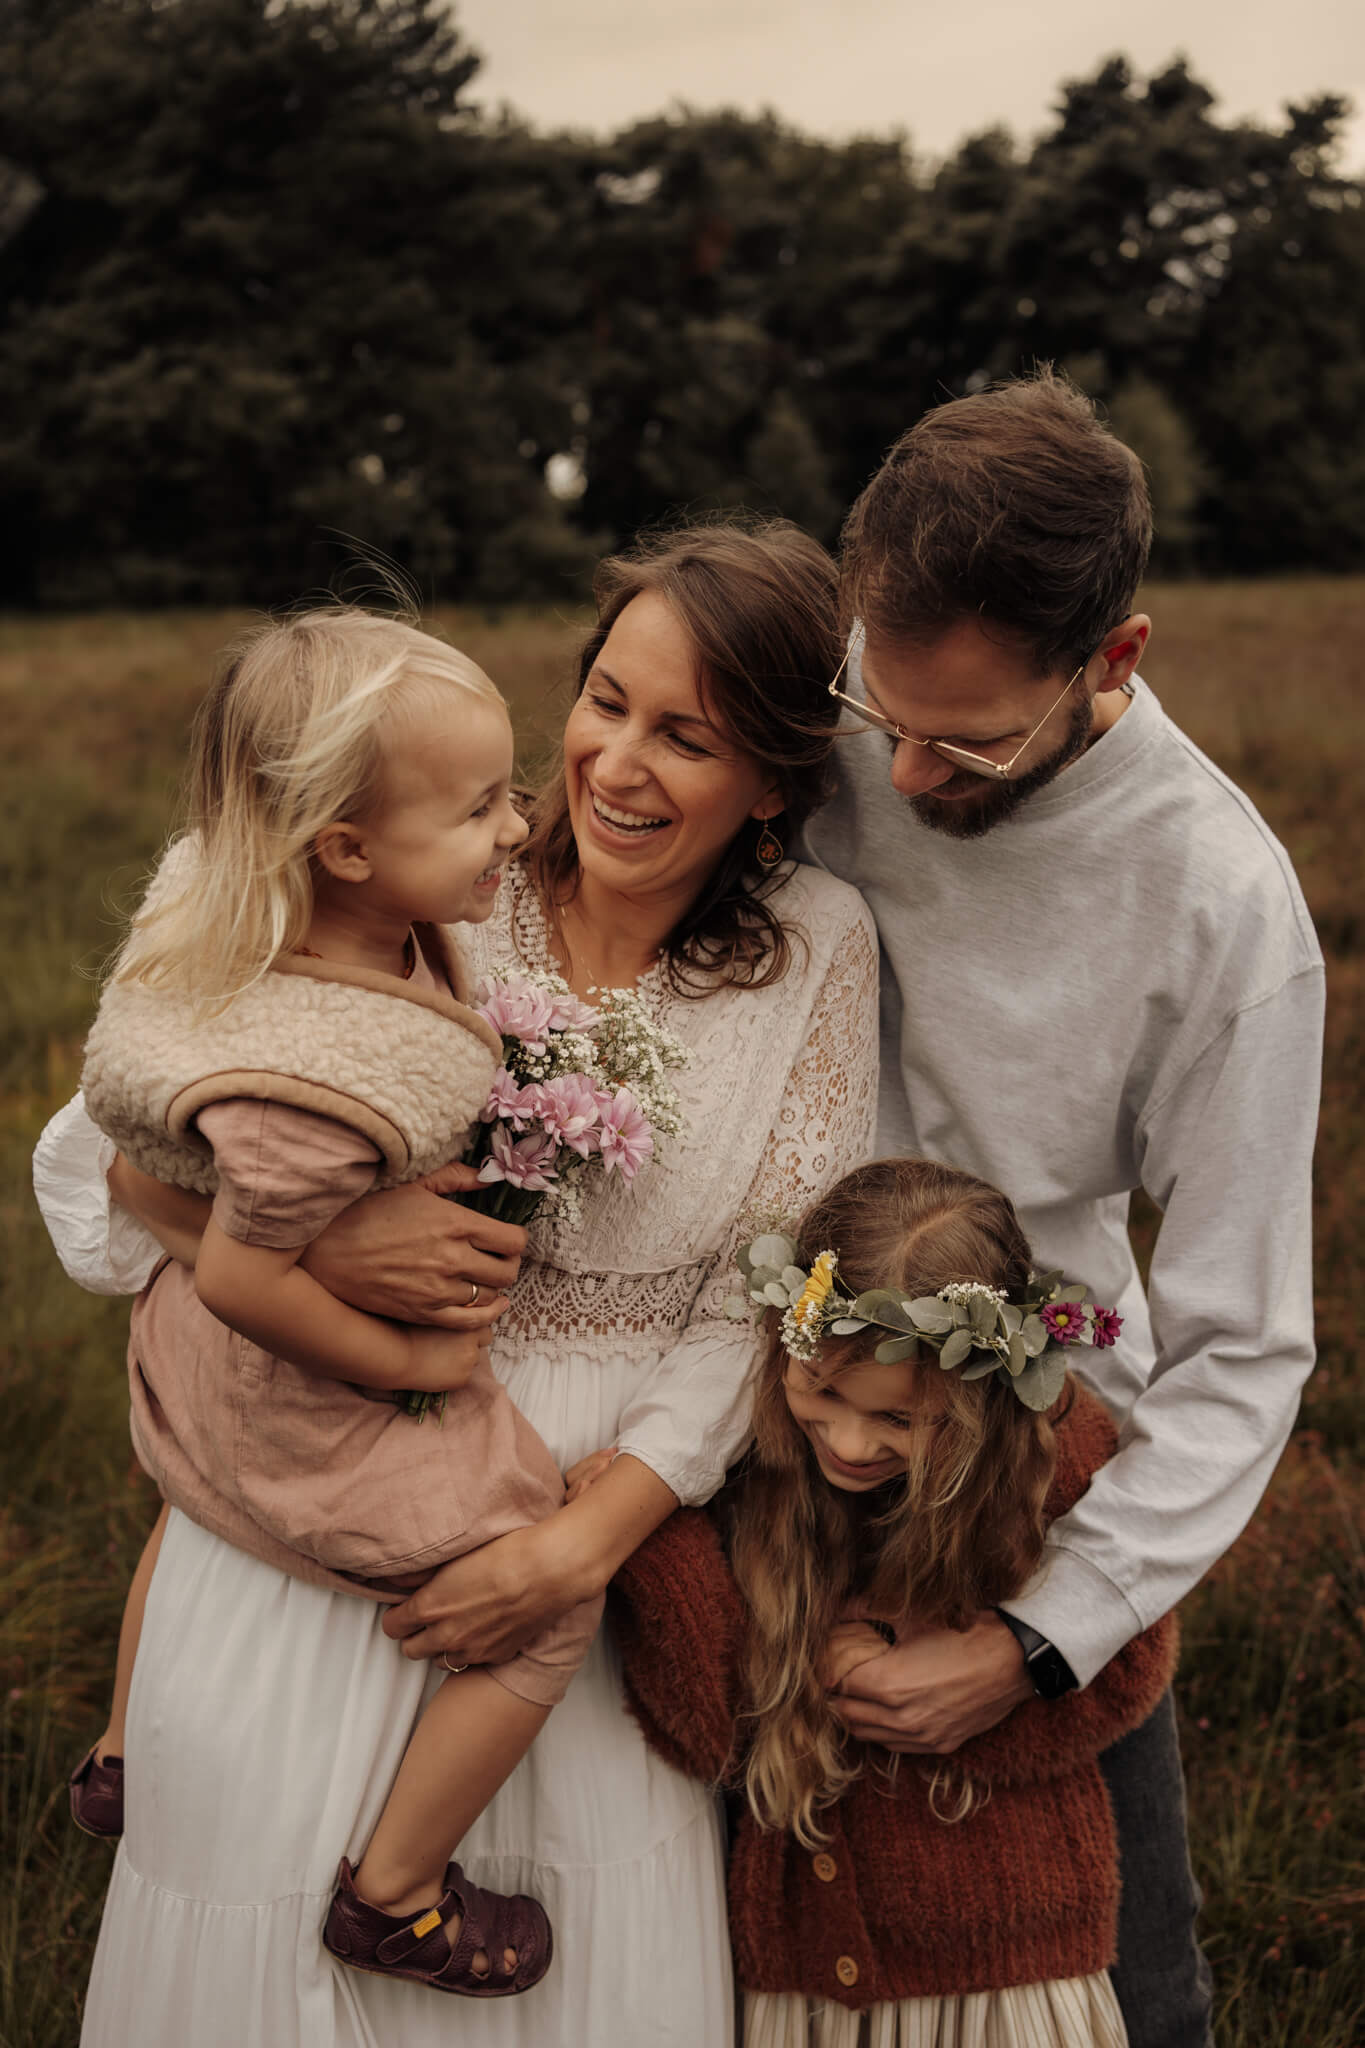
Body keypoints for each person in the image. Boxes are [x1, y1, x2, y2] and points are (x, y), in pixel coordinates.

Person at [34, 518, 880, 2047]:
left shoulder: (817, 949)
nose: (615, 764)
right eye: (605, 702)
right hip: (313, 1455)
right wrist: (322, 1243)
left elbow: (768, 1289)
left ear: (773, 782)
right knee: (265, 1920)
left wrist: (587, 1545)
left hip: (600, 1525)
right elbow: (102, 1143)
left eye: (685, 737)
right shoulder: (394, 867)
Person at [801, 367, 1324, 2047]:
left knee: (1123, 1989)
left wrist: (1035, 1641)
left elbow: (1244, 1352)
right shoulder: (835, 709)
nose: (899, 766)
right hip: (754, 1427)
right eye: (880, 703)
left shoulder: (1221, 900)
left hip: (1034, 1471)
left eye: (965, 741)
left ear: (1118, 657)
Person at [70, 606, 610, 1999]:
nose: (519, 823)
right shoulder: (324, 1085)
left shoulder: (317, 927)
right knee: (550, 1599)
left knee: (185, 1495)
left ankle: (124, 1753)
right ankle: (396, 1892)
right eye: (480, 803)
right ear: (349, 851)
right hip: (281, 1382)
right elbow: (249, 1273)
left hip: (201, 1364)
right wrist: (407, 1361)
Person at [610, 1156, 1178, 2048]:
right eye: (823, 1394)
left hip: (1007, 1967)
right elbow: (712, 1732)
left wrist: (972, 1681)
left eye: (900, 1421)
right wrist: (648, 1548)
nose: (846, 1441)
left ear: (987, 1397)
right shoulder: (752, 1484)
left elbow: (1124, 1673)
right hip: (809, 1981)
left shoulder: (1051, 1471)